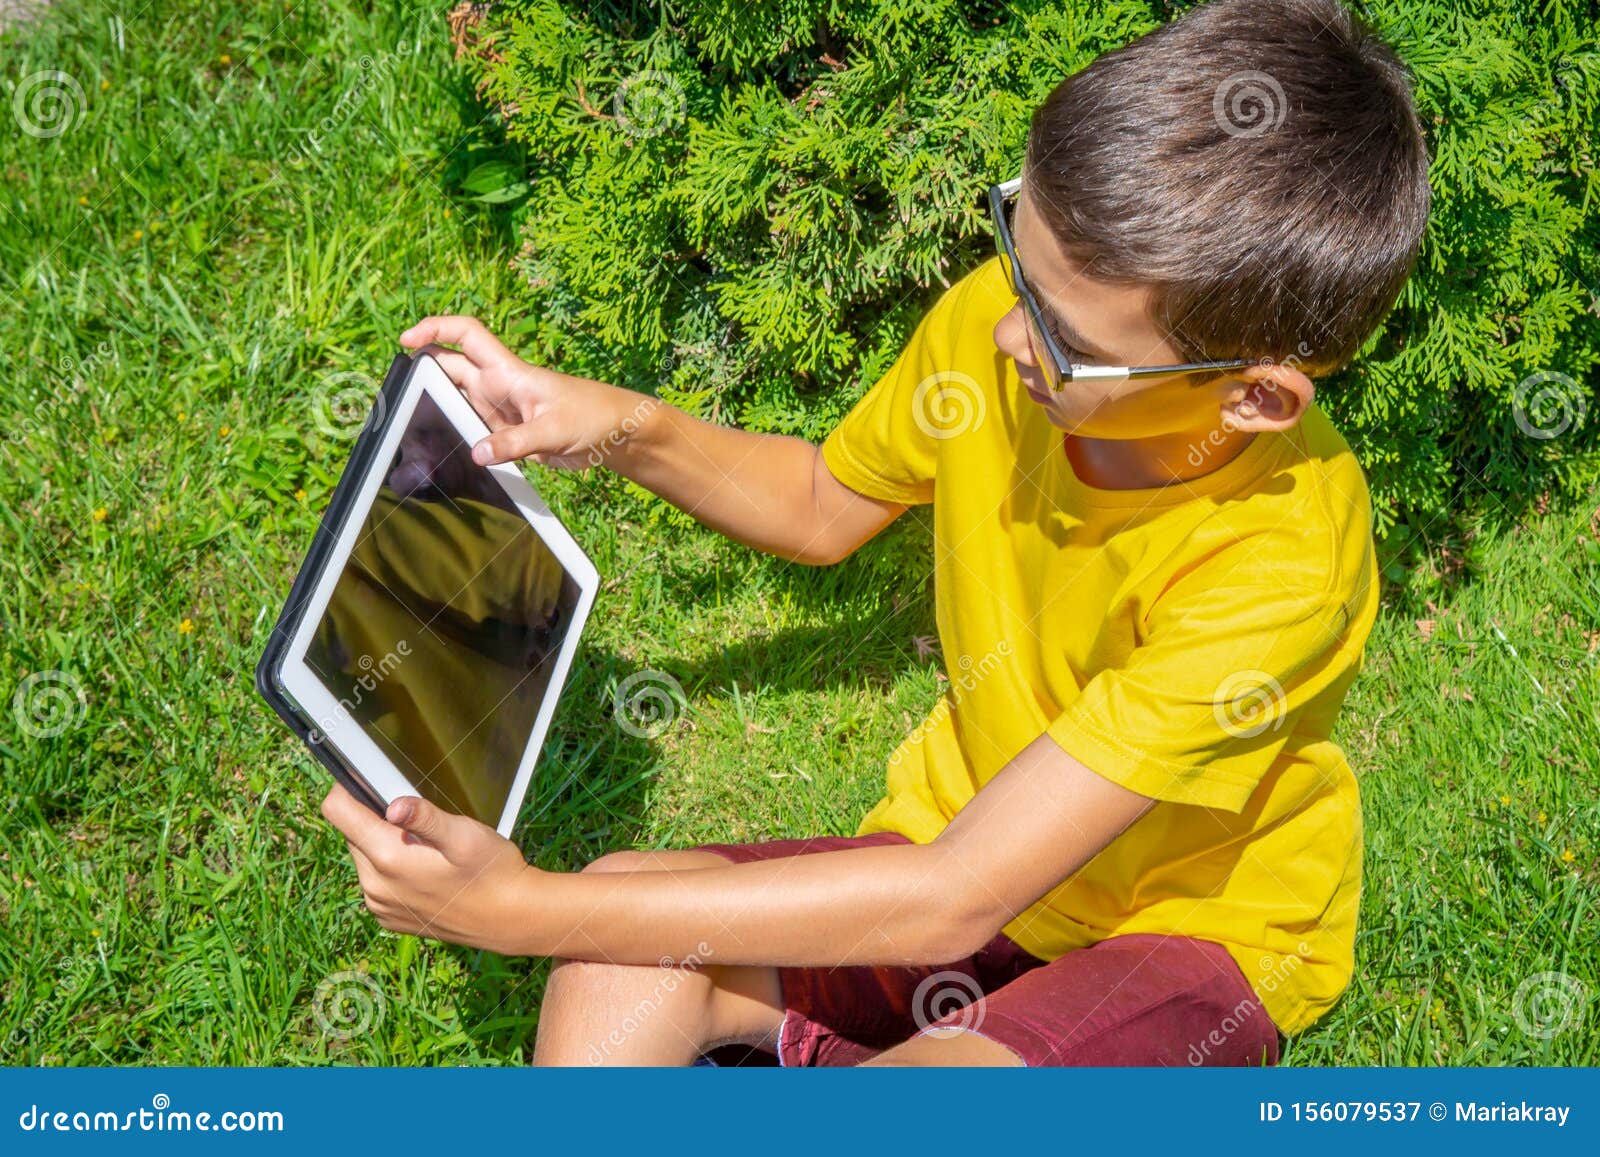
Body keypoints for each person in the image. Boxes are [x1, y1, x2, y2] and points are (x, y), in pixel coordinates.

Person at [320, 0, 1430, 1066]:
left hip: (1174, 934)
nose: (1008, 332)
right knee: (616, 948)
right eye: (1017, 259)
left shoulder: (1282, 563)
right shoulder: (1007, 331)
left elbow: (958, 895)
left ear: (1253, 398)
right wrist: (617, 424)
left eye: (1067, 338)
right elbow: (820, 501)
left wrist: (523, 909)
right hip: (956, 845)